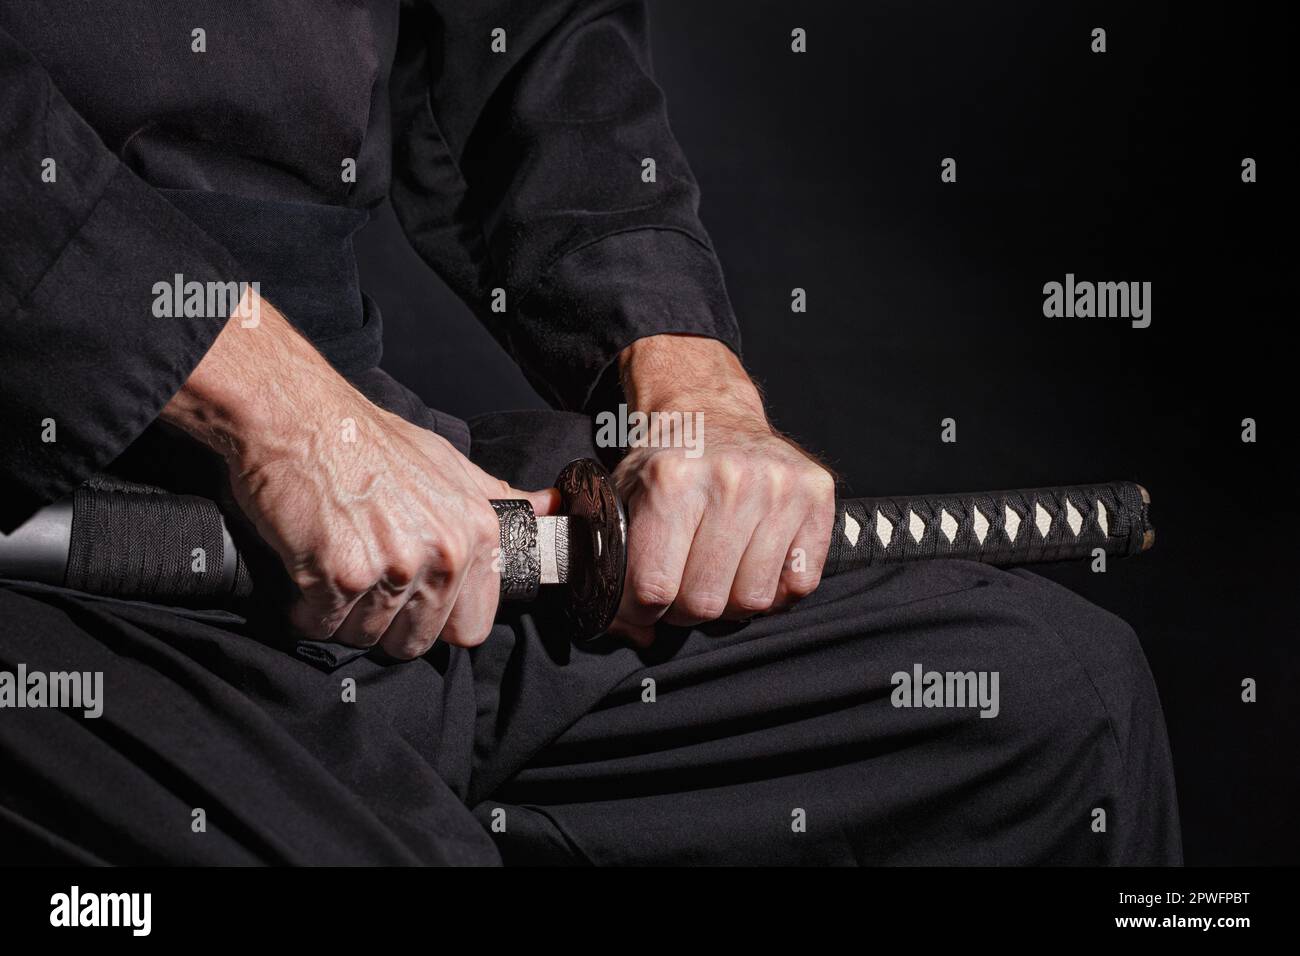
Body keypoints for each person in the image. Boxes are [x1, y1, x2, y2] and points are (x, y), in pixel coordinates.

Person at [0, 1, 1180, 864]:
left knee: (1050, 706)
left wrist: (684, 376)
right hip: (57, 523)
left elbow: (533, 35)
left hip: (410, 494)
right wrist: (268, 406)